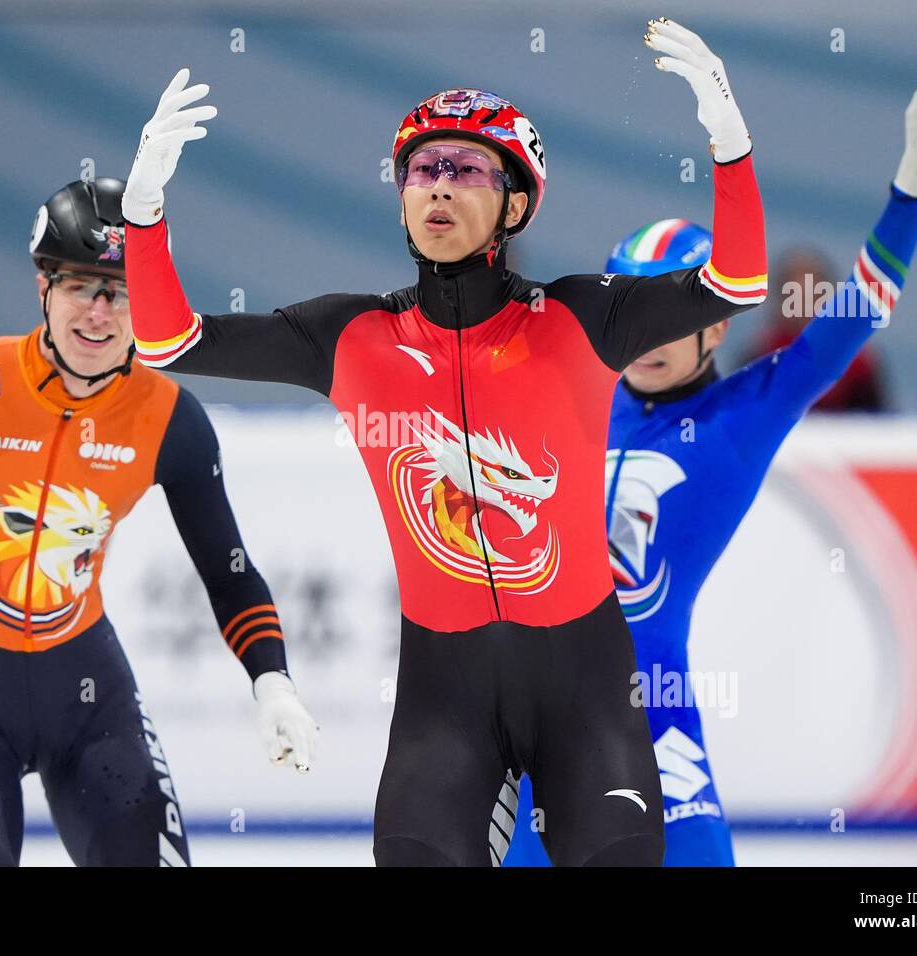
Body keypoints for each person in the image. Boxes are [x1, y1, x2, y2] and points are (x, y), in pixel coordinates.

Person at [121, 19, 768, 865]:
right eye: (421, 170)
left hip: (586, 692)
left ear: (515, 202)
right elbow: (172, 343)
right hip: (444, 698)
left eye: (466, 170)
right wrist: (143, 213)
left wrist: (729, 146)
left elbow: (739, 281)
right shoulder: (350, 336)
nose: (439, 187)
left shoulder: (581, 316)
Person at [498, 47, 917, 866]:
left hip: (659, 739)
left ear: (718, 326)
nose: (648, 339)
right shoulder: (575, 396)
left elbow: (853, 316)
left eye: (674, 316)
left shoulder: (746, 413)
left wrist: (913, 180)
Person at [0, 177, 318, 867]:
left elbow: (228, 571)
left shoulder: (170, 419)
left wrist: (272, 681)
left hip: (86, 696)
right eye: (79, 287)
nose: (100, 311)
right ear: (42, 291)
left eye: (121, 291)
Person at [742, 246, 890, 411]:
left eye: (813, 294)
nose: (804, 303)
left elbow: (878, 422)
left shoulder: (857, 363)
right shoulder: (761, 356)